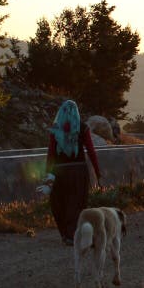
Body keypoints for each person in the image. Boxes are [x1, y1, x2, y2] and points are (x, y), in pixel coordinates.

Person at [43, 100, 102, 245]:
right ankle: (72, 234)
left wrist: (47, 175)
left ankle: (66, 234)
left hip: (59, 171)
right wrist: (98, 173)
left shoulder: (56, 129)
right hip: (78, 172)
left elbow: (50, 154)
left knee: (59, 203)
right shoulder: (82, 128)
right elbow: (91, 152)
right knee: (76, 203)